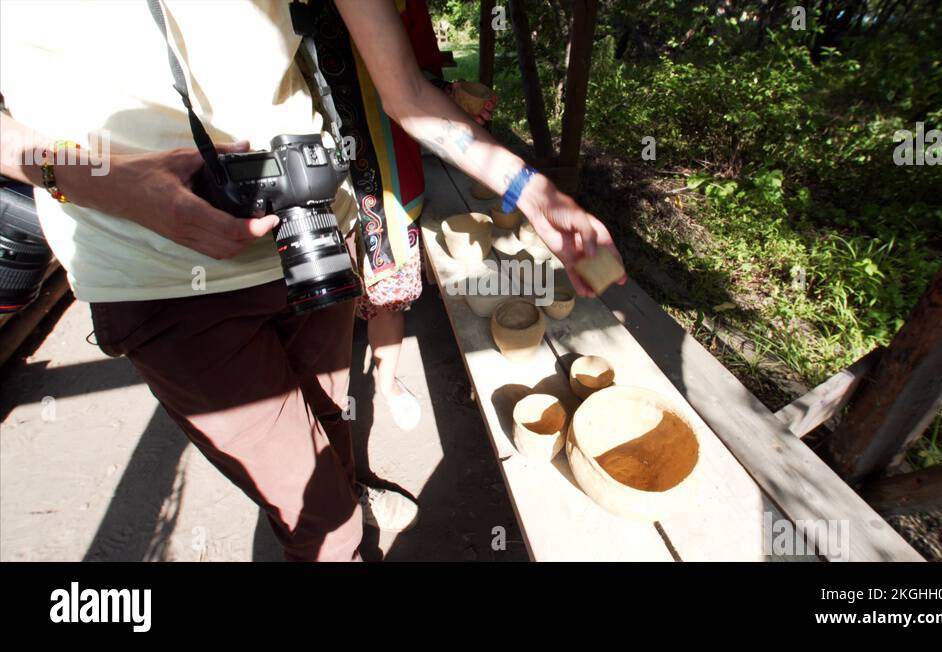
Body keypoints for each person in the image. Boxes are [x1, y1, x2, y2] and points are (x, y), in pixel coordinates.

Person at [0, 0, 624, 561]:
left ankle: (347, 488)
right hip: (151, 271)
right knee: (318, 520)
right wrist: (113, 183)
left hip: (315, 235)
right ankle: (342, 530)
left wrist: (533, 191)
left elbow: (405, 91)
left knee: (330, 415)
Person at [314, 0, 494, 432]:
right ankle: (319, 410)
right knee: (315, 298)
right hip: (311, 165)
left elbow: (421, 80)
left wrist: (453, 104)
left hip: (388, 168)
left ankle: (386, 385)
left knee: (388, 293)